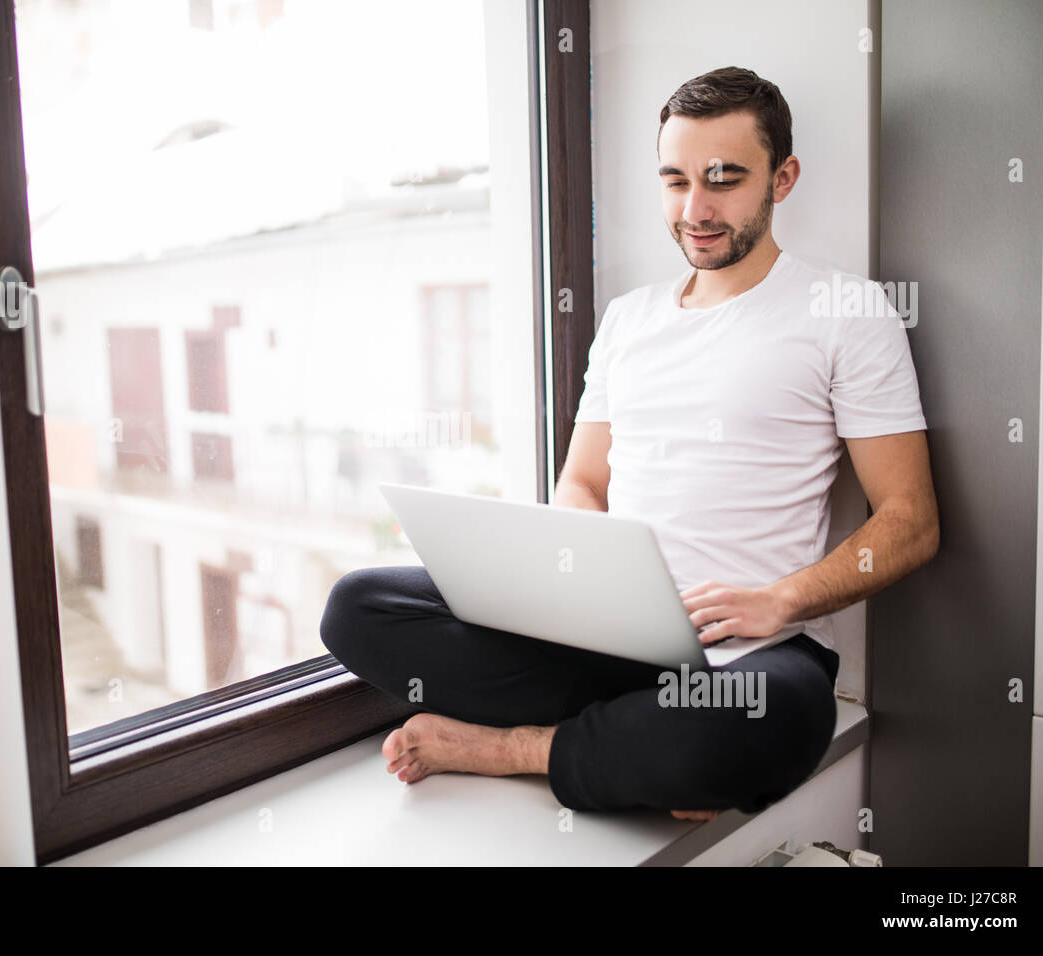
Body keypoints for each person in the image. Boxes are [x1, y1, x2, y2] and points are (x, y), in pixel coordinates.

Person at [319, 66, 939, 820]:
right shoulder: (629, 320)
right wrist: (578, 586)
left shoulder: (845, 310)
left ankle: (511, 749)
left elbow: (910, 520)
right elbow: (581, 483)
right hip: (605, 641)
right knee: (360, 606)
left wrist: (781, 600)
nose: (696, 209)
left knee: (766, 724)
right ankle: (637, 752)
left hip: (752, 655)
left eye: (724, 179)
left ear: (784, 178)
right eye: (675, 181)